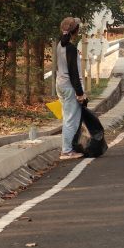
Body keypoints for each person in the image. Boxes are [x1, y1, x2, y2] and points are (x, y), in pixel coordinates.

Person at [56, 17, 86, 160]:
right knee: (70, 120)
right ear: (76, 31)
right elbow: (74, 73)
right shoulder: (71, 49)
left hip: (61, 84)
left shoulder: (60, 45)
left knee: (67, 117)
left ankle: (68, 148)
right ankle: (67, 151)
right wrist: (80, 93)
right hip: (69, 87)